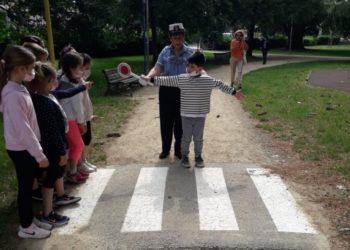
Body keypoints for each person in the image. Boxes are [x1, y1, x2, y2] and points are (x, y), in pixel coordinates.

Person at [141, 51, 242, 168]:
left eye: (192, 66)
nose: (188, 68)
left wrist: (234, 92)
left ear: (199, 68)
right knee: (186, 138)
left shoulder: (207, 80)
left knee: (199, 138)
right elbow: (165, 80)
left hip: (200, 116)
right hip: (186, 116)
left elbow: (220, 85)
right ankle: (184, 156)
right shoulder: (182, 79)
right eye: (187, 65)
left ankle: (198, 157)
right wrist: (149, 79)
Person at [0, 46, 51, 238]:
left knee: (28, 184)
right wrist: (39, 155)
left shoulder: (18, 88)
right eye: (30, 69)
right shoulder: (12, 95)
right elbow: (23, 130)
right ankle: (26, 227)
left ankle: (29, 219)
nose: (33, 73)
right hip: (21, 149)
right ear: (20, 69)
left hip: (24, 147)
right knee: (25, 187)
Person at [29, 62, 71, 226]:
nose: (55, 83)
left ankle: (49, 209)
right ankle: (48, 212)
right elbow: (52, 130)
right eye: (53, 80)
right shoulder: (44, 103)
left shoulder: (40, 98)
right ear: (47, 81)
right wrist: (62, 150)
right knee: (51, 177)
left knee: (51, 177)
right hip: (52, 148)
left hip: (47, 146)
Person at [144, 23, 193, 160]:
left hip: (184, 91)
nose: (177, 39)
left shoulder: (190, 53)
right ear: (170, 38)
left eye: (180, 36)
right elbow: (157, 68)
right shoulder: (165, 51)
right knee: (166, 122)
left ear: (183, 36)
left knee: (181, 122)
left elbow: (197, 70)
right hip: (166, 90)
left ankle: (178, 149)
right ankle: (165, 149)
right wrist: (149, 76)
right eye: (174, 37)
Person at [57, 52, 88, 183]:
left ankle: (72, 170)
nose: (82, 71)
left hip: (68, 119)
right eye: (80, 68)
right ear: (71, 68)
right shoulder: (70, 85)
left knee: (73, 146)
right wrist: (82, 123)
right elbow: (77, 107)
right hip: (70, 120)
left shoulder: (66, 80)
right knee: (79, 145)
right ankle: (72, 172)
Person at [78, 53, 97, 173]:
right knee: (80, 141)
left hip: (86, 116)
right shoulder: (78, 83)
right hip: (81, 118)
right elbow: (78, 104)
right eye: (86, 68)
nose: (87, 71)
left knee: (85, 140)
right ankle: (79, 163)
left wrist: (89, 115)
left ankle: (83, 160)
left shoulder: (83, 81)